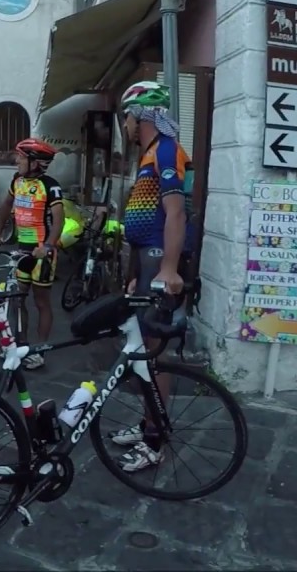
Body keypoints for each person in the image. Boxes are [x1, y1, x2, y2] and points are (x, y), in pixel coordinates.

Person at [109, 80, 195, 473]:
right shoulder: (148, 155)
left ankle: (154, 440)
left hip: (160, 259)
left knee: (153, 355)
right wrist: (137, 273)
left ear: (140, 114)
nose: (124, 124)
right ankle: (148, 423)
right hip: (148, 260)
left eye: (126, 116)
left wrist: (168, 269)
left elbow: (176, 213)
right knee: (144, 352)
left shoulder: (165, 150)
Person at [0, 138, 63, 370]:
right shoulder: (17, 181)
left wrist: (48, 246)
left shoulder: (50, 185)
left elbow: (59, 220)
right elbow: (7, 205)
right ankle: (21, 345)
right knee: (18, 300)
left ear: (34, 162)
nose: (16, 160)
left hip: (41, 251)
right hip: (21, 249)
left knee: (41, 302)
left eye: (20, 156)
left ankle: (40, 350)